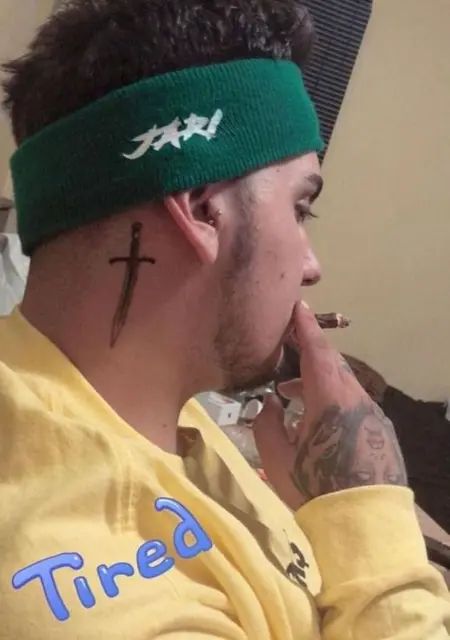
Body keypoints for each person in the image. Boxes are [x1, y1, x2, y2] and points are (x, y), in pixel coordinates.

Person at [0, 0, 448, 637]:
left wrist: (314, 515)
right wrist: (368, 511)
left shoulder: (142, 409)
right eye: (301, 209)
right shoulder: (96, 608)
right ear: (201, 208)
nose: (312, 266)